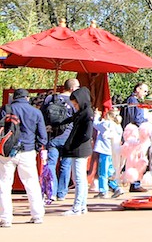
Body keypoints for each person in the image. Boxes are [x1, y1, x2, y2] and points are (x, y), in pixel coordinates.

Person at [0, 88, 47, 226]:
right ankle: (37, 215)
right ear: (27, 98)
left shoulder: (6, 109)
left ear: (14, 98)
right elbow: (42, 135)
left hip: (7, 152)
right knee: (31, 183)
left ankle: (5, 218)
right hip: (28, 151)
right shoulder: (36, 112)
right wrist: (37, 148)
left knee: (4, 184)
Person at [57, 86, 94, 216]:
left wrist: (74, 143)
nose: (75, 106)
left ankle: (77, 207)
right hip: (80, 148)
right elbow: (69, 119)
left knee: (78, 179)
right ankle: (82, 206)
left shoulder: (87, 113)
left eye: (75, 104)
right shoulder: (83, 112)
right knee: (80, 178)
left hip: (79, 149)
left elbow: (87, 134)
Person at [42, 78, 76, 202]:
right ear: (72, 88)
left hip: (52, 136)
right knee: (66, 165)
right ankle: (62, 193)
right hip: (68, 137)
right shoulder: (74, 101)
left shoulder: (51, 98)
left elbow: (42, 115)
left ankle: (52, 191)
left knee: (51, 164)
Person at [123, 82, 149, 192]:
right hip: (134, 133)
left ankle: (135, 182)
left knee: (135, 158)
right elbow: (135, 118)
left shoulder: (134, 101)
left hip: (135, 132)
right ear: (138, 89)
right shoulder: (133, 101)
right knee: (134, 159)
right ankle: (134, 183)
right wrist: (146, 121)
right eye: (144, 91)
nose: (145, 93)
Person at [94, 107, 124, 198]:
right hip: (113, 151)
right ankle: (116, 187)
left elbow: (95, 124)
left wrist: (96, 116)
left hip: (105, 151)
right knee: (110, 172)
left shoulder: (106, 124)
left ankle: (103, 191)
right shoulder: (118, 126)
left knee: (102, 172)